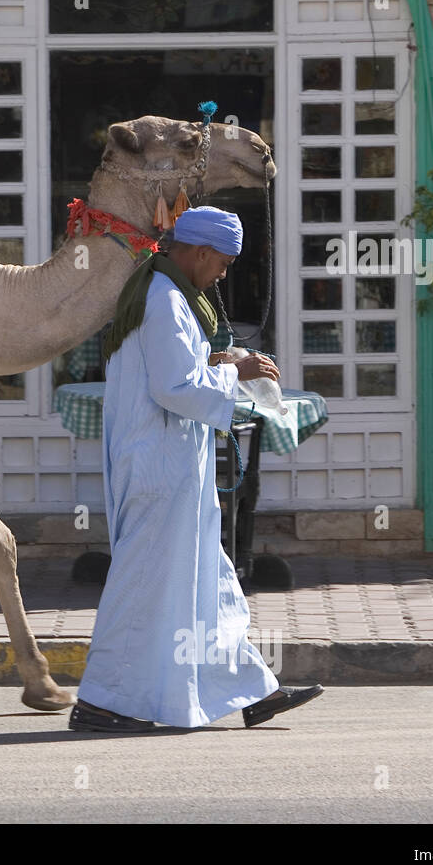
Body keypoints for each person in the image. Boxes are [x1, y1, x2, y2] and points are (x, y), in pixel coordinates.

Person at [70, 206, 323, 732]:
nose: (224, 274)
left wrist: (225, 365)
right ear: (200, 252)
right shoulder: (164, 301)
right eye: (224, 263)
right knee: (145, 586)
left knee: (208, 582)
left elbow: (178, 371)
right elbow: (173, 389)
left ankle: (251, 691)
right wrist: (239, 373)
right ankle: (101, 702)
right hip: (159, 468)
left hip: (173, 465)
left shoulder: (169, 295)